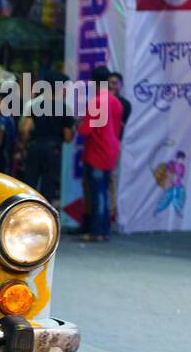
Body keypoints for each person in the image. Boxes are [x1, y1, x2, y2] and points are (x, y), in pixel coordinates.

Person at [78, 65, 125, 242]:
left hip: (97, 151)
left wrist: (79, 123)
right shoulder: (116, 102)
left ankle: (96, 231)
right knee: (104, 192)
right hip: (111, 150)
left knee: (97, 193)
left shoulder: (97, 101)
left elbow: (85, 130)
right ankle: (104, 230)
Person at [19, 67, 74, 206]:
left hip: (35, 148)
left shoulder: (35, 105)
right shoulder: (64, 108)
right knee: (48, 188)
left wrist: (25, 145)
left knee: (29, 185)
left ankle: (25, 213)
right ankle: (44, 219)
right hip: (53, 151)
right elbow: (68, 137)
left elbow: (25, 130)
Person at [109, 71, 132, 136]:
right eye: (108, 83)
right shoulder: (101, 101)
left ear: (121, 84)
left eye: (114, 83)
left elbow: (120, 126)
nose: (110, 86)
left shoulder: (126, 104)